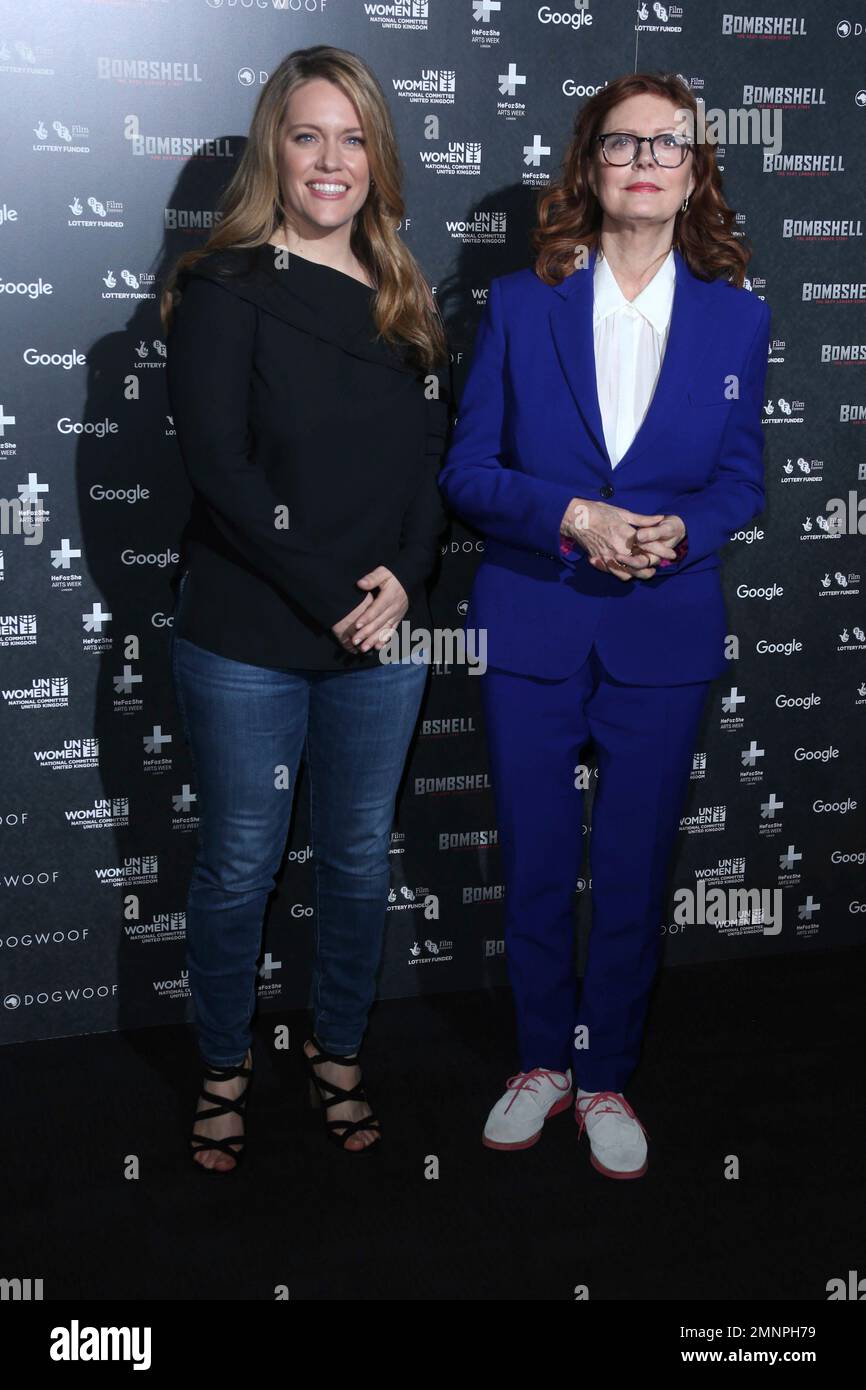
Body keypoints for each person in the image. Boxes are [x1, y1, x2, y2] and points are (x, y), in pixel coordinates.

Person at [438, 72, 771, 1179]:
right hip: (533, 622)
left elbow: (739, 481)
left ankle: (605, 1071)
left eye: (664, 145)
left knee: (629, 869)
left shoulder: (736, 316)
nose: (641, 160)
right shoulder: (519, 304)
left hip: (661, 632)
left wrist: (676, 531)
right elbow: (469, 471)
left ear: (691, 174)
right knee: (535, 861)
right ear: (587, 166)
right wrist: (574, 516)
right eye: (619, 143)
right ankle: (539, 1062)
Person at [160, 45, 450, 1171]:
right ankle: (223, 1068)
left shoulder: (404, 302)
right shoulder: (223, 290)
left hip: (384, 631)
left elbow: (432, 464)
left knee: (357, 863)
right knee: (240, 862)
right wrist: (339, 595)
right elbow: (221, 472)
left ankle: (337, 1054)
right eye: (305, 135)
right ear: (273, 150)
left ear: (376, 157)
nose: (330, 160)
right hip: (249, 635)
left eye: (351, 138)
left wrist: (406, 581)